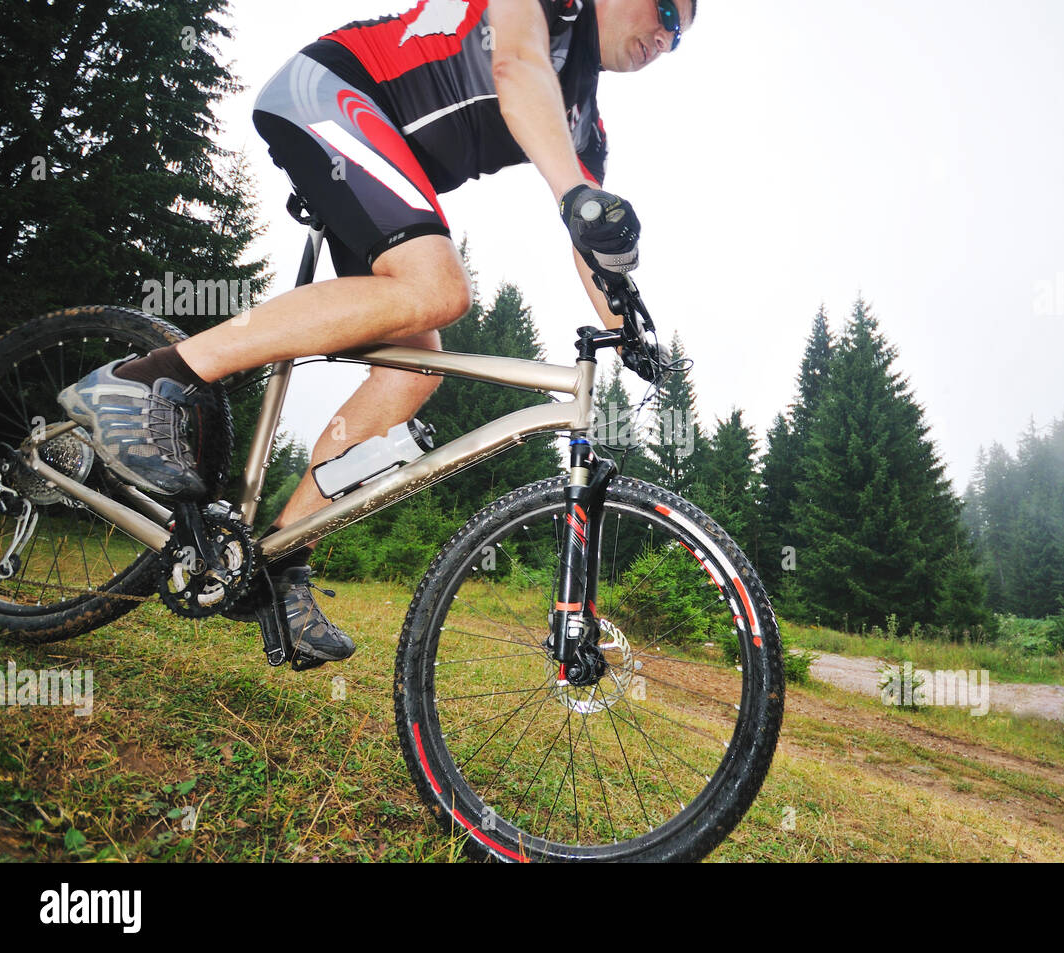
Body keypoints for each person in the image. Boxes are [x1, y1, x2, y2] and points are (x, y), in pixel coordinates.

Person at [56, 0, 695, 667]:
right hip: (330, 93)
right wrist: (575, 195)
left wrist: (628, 331)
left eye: (679, 39)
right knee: (439, 289)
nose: (666, 38)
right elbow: (516, 65)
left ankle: (277, 557)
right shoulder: (545, 11)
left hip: (378, 156)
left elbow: (586, 242)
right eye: (667, 13)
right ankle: (150, 380)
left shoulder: (584, 127)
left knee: (416, 369)